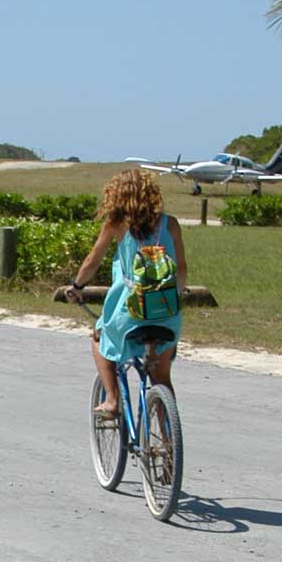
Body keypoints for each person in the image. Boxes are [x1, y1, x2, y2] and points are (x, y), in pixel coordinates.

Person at [64, 168, 187, 418]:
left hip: (130, 314)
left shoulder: (115, 225)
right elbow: (182, 269)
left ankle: (111, 400)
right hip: (166, 312)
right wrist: (176, 294)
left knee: (99, 337)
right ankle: (168, 441)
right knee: (161, 377)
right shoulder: (170, 223)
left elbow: (92, 261)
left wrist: (76, 287)